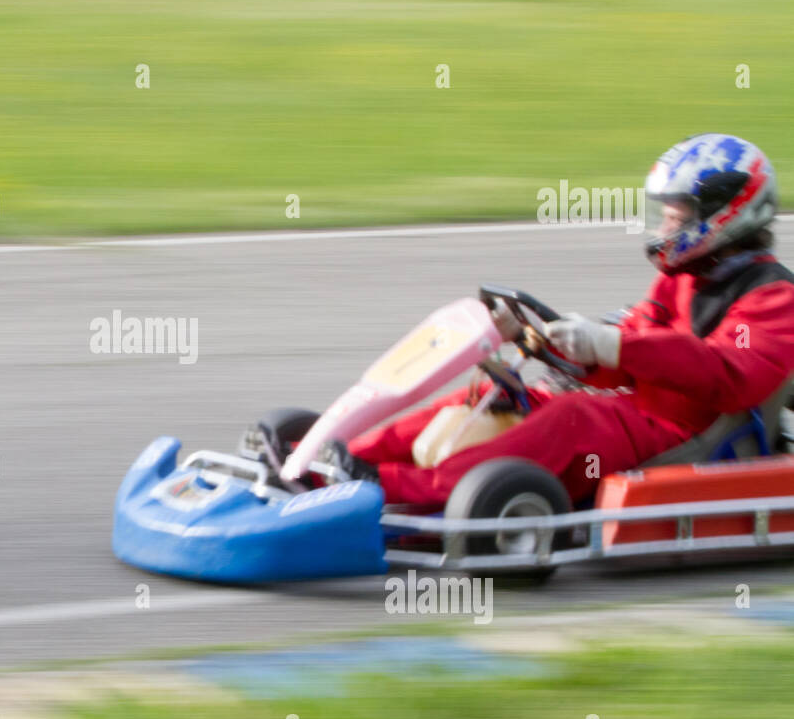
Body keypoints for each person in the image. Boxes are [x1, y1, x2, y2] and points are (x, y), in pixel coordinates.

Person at [323, 133, 794, 506]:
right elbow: (630, 354)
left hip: (695, 437)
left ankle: (397, 488)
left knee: (575, 417)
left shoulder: (773, 295)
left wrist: (614, 346)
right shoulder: (683, 276)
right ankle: (343, 455)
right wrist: (549, 341)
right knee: (500, 394)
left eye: (678, 217)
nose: (667, 228)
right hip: (639, 413)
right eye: (666, 216)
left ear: (726, 215)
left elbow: (730, 376)